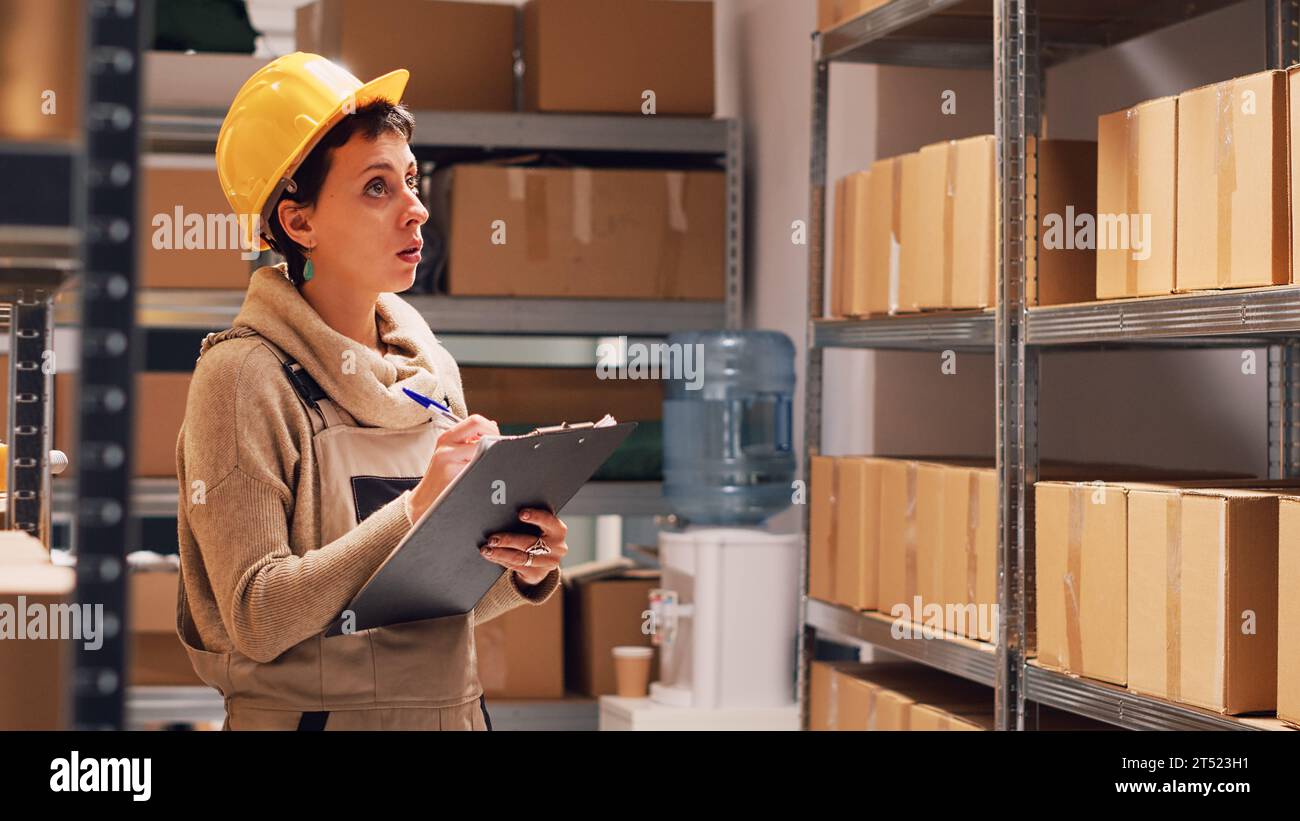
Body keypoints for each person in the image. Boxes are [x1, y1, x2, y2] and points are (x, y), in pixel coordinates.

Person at [174, 53, 564, 730]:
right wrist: (415, 509)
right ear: (299, 224)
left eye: (411, 180)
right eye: (377, 188)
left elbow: (434, 606)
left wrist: (522, 567)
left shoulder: (429, 369)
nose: (416, 210)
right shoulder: (244, 377)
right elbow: (258, 617)